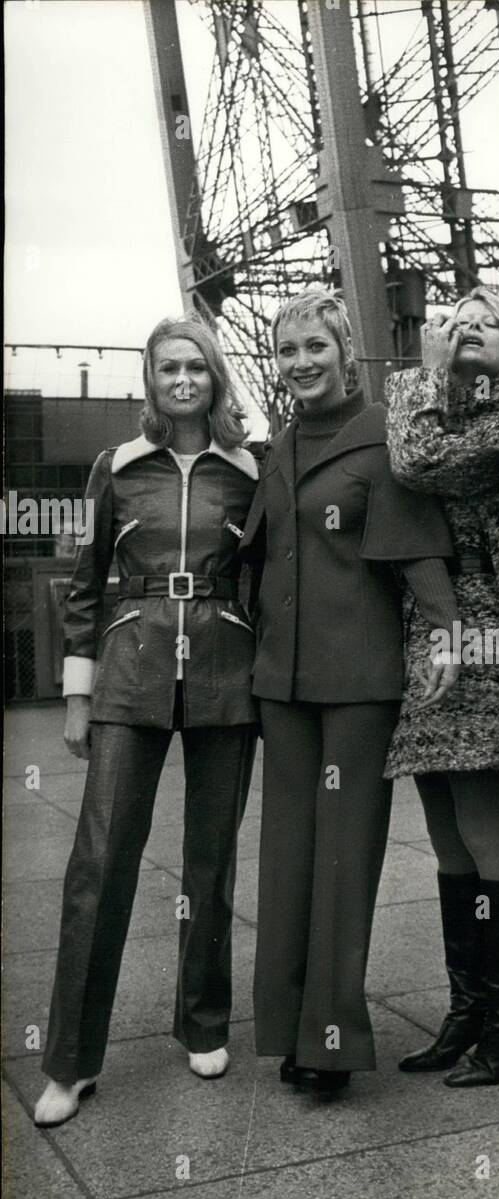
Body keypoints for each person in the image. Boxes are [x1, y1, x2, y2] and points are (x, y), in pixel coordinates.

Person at [33, 316, 260, 1128]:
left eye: (196, 367)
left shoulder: (246, 470)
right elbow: (85, 584)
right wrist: (76, 695)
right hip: (129, 677)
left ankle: (202, 1021)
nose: (183, 381)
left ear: (215, 376)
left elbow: (265, 582)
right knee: (97, 862)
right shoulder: (117, 469)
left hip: (225, 681)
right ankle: (69, 1060)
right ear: (151, 381)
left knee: (211, 863)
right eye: (168, 368)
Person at [240, 289, 460, 1098]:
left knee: (343, 858)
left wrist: (445, 632)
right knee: (287, 859)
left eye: (316, 348)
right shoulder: (283, 446)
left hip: (360, 682)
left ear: (346, 350)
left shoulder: (379, 440)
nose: (301, 363)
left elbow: (414, 553)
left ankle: (329, 1041)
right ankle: (289, 1028)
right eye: (288, 350)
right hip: (283, 683)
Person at [384, 287, 499, 1087]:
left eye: (486, 327)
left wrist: (420, 375)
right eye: (454, 325)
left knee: (481, 818)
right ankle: (471, 1006)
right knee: (444, 822)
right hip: (425, 626)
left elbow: (414, 465)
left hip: (488, 623)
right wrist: (423, 380)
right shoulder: (425, 402)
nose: (467, 333)